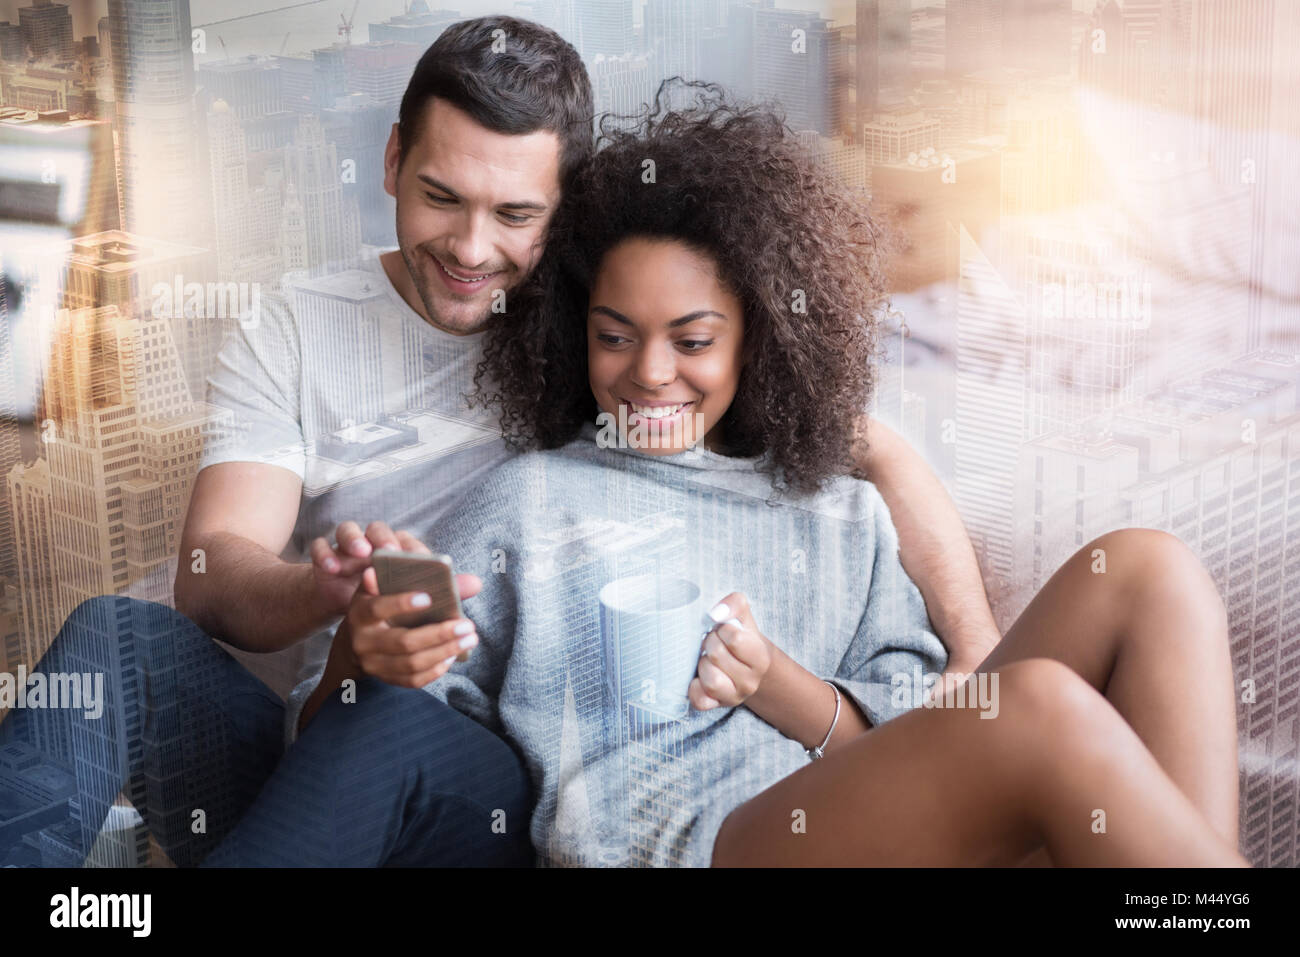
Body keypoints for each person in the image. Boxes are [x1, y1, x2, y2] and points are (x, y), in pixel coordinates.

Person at [0, 19, 995, 867]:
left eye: (515, 214)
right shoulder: (299, 321)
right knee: (114, 642)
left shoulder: (604, 338)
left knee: (391, 723)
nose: (473, 250)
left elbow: (871, 450)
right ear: (392, 162)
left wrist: (979, 647)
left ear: (565, 216)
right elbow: (212, 577)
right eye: (442, 196)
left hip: (484, 767)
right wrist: (334, 592)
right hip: (321, 719)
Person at [231, 83, 1246, 867]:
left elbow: (903, 719)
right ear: (570, 336)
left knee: (1148, 571)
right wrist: (354, 661)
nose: (650, 373)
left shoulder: (836, 510)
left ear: (756, 336)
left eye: (693, 337)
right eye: (614, 336)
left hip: (870, 813)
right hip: (691, 843)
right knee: (1040, 711)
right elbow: (367, 762)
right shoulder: (531, 503)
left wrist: (778, 688)